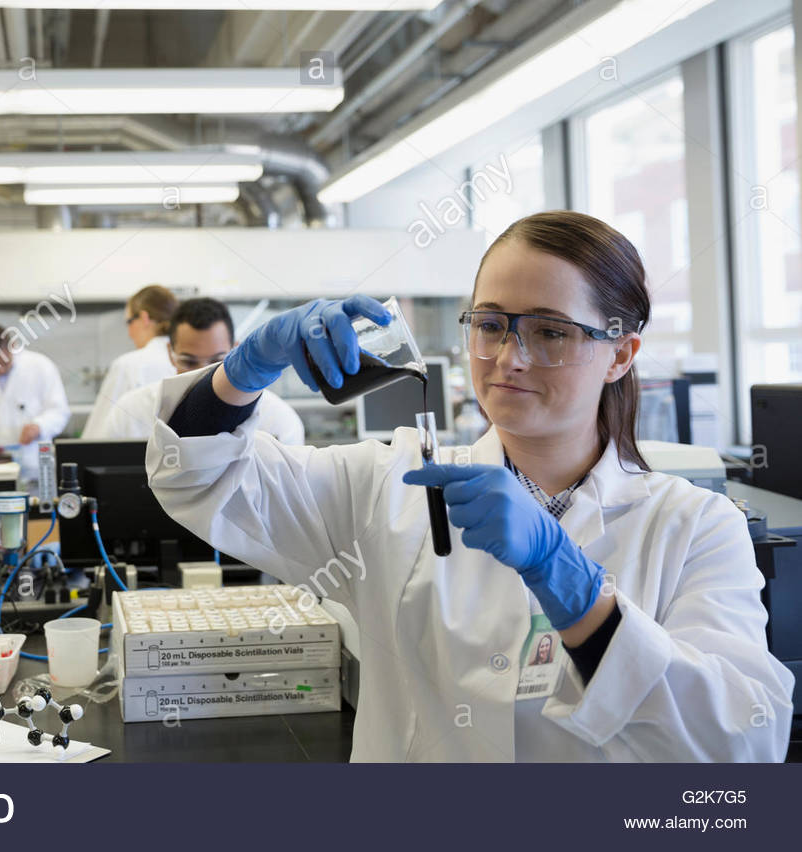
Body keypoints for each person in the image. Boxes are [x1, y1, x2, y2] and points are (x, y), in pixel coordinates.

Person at [145, 211, 793, 762]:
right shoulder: (388, 484)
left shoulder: (695, 525)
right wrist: (244, 370)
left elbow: (745, 741)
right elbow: (205, 477)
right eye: (491, 324)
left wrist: (572, 583)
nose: (510, 357)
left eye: (550, 331)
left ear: (621, 354)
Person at [88, 297, 304, 446]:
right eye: (189, 362)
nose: (204, 374)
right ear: (170, 353)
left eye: (217, 361)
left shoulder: (277, 418)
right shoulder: (132, 411)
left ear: (235, 350)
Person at [0, 325, 70, 488]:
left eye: (3, 363)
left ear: (12, 346)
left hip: (34, 467)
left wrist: (39, 426)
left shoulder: (40, 366)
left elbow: (60, 411)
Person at [82, 285, 178, 438]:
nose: (129, 333)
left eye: (129, 322)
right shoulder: (188, 361)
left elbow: (97, 436)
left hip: (135, 460)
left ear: (144, 318)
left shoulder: (128, 365)